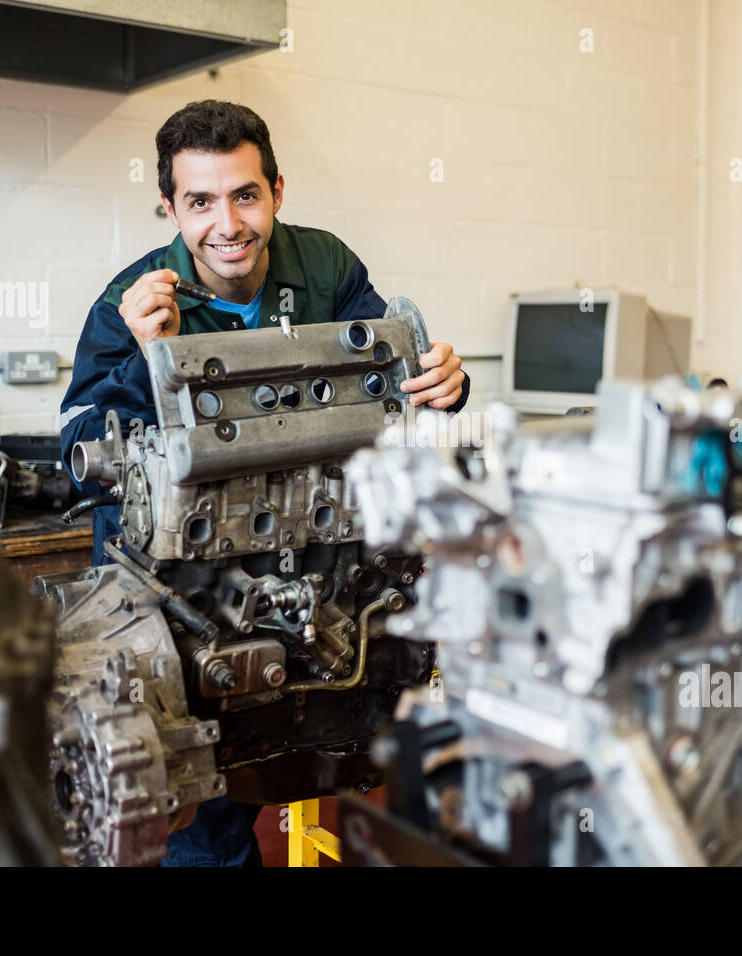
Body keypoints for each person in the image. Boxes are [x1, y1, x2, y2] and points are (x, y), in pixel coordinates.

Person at [58, 100, 470, 867]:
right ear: (170, 209)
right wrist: (144, 363)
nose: (228, 222)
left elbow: (393, 374)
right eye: (201, 201)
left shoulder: (327, 267)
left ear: (277, 190)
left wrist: (444, 382)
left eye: (245, 195)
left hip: (314, 561)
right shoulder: (134, 302)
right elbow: (78, 448)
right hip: (184, 585)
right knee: (203, 830)